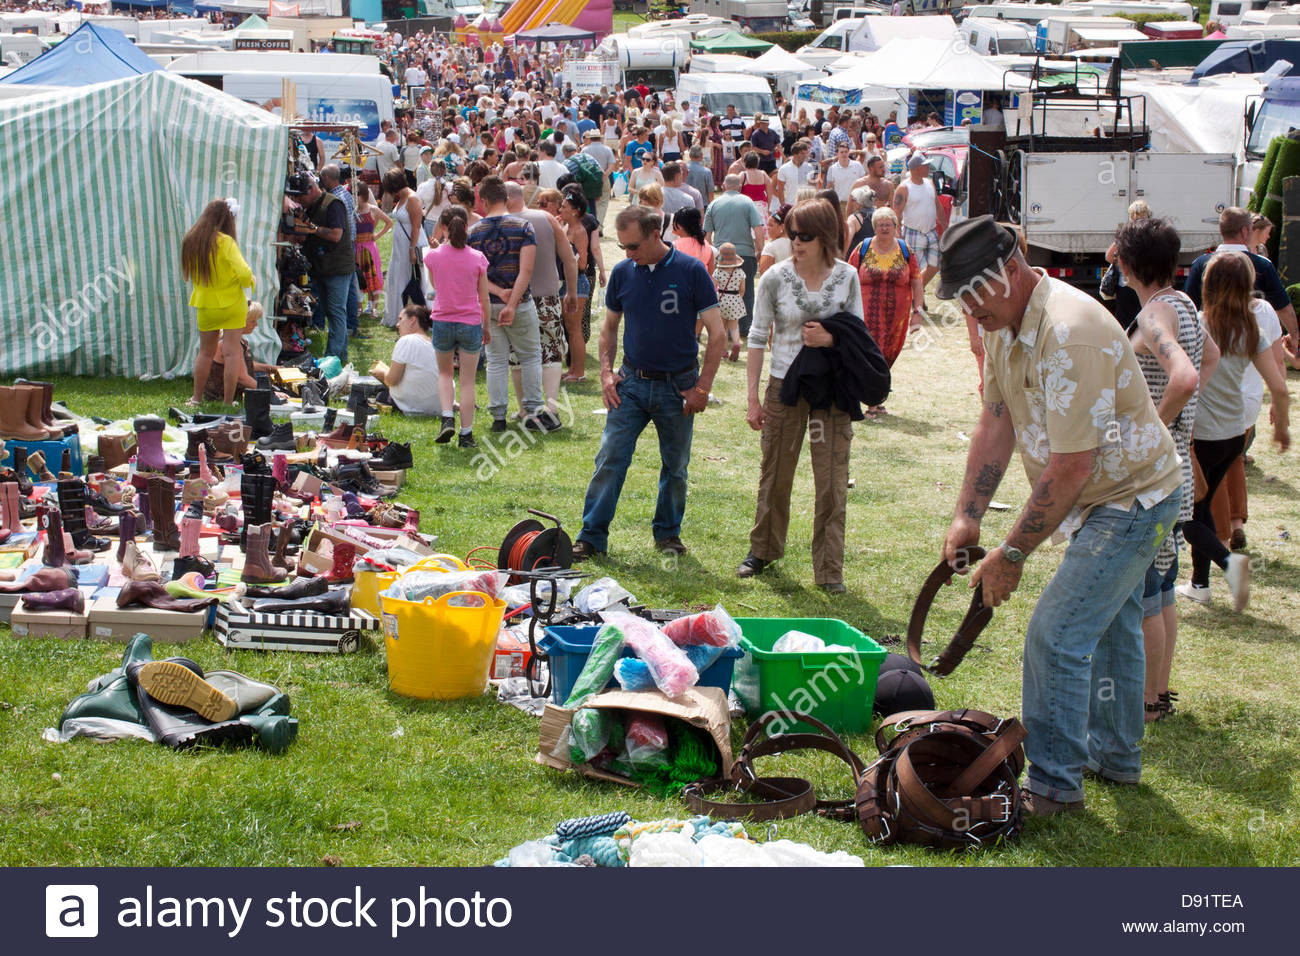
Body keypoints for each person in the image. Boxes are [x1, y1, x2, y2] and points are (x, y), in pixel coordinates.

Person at [937, 215, 1184, 814]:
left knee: (1057, 633)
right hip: (1108, 497)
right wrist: (968, 514)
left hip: (1134, 499)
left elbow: (1072, 468)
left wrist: (1011, 555)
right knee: (1115, 626)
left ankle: (1052, 786)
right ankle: (1116, 758)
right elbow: (996, 419)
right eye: (960, 298)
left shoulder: (1069, 333)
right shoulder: (1002, 326)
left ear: (1012, 271)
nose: (969, 310)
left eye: (974, 292)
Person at [572, 204, 725, 560]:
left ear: (657, 234)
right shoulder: (625, 273)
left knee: (676, 467)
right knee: (610, 458)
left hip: (679, 387)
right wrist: (606, 373)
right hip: (631, 384)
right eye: (623, 247)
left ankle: (668, 535)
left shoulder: (692, 271)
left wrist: (702, 387)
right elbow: (608, 328)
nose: (627, 254)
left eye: (633, 246)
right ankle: (591, 537)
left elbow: (717, 335)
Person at [738, 199, 866, 593]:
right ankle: (762, 551)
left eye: (805, 235)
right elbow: (757, 338)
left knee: (831, 481)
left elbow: (859, 336)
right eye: (792, 233)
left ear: (826, 236)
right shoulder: (774, 278)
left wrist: (831, 337)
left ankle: (830, 573)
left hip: (830, 392)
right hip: (784, 387)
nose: (796, 241)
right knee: (775, 473)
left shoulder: (847, 277)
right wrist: (753, 398)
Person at [1179, 251, 1290, 609]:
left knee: (1184, 515)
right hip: (1233, 435)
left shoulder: (1197, 323)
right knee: (1204, 507)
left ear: (1208, 285)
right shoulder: (1250, 330)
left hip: (1199, 436)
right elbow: (1280, 386)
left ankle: (1229, 565)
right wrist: (1282, 429)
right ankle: (1199, 585)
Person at [467, 175, 548, 432]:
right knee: (531, 357)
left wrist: (498, 292)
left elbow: (473, 275)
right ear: (507, 197)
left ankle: (498, 416)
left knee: (496, 361)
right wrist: (512, 302)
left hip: (488, 304)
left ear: (484, 199)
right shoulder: (523, 227)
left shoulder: (473, 232)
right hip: (519, 303)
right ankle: (534, 412)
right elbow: (526, 270)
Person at [1185, 206, 1298, 359]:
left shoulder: (1201, 263)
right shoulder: (1263, 265)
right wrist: (1294, 335)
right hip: (1251, 348)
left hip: (1211, 347)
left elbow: (1188, 307)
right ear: (1245, 231)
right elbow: (1283, 308)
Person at [847, 207, 924, 417]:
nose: (884, 227)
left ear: (895, 227)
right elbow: (847, 276)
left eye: (888, 224)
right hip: (866, 315)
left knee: (888, 356)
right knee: (871, 355)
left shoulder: (905, 250)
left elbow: (917, 281)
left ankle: (878, 398)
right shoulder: (863, 248)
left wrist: (918, 311)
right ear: (874, 228)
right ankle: (871, 402)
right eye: (880, 224)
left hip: (896, 318)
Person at [181, 199, 258, 406]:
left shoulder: (192, 239)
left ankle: (197, 398)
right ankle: (226, 401)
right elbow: (243, 272)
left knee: (205, 352)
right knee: (232, 354)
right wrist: (249, 280)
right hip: (232, 304)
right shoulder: (225, 242)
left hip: (205, 304)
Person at [424, 207, 489, 447]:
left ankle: (447, 416)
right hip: (470, 321)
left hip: (442, 319)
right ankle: (466, 433)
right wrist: (487, 326)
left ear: (443, 228)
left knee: (445, 374)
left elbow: (434, 285)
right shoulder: (477, 258)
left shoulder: (433, 256)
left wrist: (437, 246)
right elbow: (484, 297)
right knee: (468, 381)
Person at [515, 186, 579, 421]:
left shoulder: (500, 221)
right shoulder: (548, 220)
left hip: (513, 297)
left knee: (517, 354)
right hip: (547, 296)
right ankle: (551, 407)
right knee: (551, 351)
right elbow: (569, 260)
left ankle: (524, 409)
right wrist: (571, 291)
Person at [299, 175, 355, 361]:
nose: (300, 202)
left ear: (311, 189)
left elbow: (336, 235)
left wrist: (312, 228)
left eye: (301, 197)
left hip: (337, 268)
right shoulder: (315, 205)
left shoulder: (333, 204)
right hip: (323, 268)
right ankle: (340, 356)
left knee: (336, 312)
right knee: (333, 312)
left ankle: (332, 357)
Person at [703, 174, 765, 338]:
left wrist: (710, 257)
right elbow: (758, 229)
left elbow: (707, 236)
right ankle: (744, 328)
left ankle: (723, 328)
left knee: (721, 292)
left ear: (723, 186)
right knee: (747, 292)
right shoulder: (747, 202)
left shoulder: (714, 204)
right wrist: (760, 250)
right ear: (739, 186)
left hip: (721, 256)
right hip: (745, 254)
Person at [368, 304, 441, 417]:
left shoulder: (406, 340)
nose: (397, 325)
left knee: (380, 395)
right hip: (440, 406)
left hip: (416, 406)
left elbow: (392, 380)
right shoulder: (434, 344)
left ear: (412, 320)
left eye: (401, 319)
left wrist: (382, 374)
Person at [381, 167, 428, 330]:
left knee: (414, 279)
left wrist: (411, 249)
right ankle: (399, 314)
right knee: (398, 278)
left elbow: (416, 227)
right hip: (400, 246)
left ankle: (418, 315)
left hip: (411, 244)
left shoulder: (412, 199)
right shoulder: (402, 197)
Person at [892, 153, 943, 287]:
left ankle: (917, 293)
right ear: (917, 169)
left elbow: (938, 206)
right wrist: (898, 235)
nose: (928, 168)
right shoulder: (904, 188)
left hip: (931, 231)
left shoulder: (929, 183)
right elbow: (896, 213)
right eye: (925, 165)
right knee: (913, 269)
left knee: (936, 264)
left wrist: (947, 227)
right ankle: (917, 296)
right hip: (913, 232)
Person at [354, 184, 392, 319]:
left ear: (363, 195)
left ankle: (373, 307)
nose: (355, 197)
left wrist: (376, 235)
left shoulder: (373, 209)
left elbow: (389, 222)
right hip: (357, 248)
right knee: (359, 277)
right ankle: (360, 306)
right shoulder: (353, 211)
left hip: (369, 248)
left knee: (373, 276)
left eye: (357, 194)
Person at [712, 242, 746, 361]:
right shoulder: (740, 273)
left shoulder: (717, 272)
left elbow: (713, 287)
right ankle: (736, 344)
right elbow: (742, 289)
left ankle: (723, 350)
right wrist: (737, 298)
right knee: (734, 326)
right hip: (735, 299)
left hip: (721, 300)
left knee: (723, 328)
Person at [671, 206, 715, 274]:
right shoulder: (706, 246)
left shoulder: (674, 246)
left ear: (679, 226)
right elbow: (710, 274)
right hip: (701, 283)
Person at [775, 139, 816, 206]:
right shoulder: (783, 169)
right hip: (790, 205)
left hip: (806, 206)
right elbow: (780, 190)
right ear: (795, 154)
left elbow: (812, 187)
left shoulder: (810, 167)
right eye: (802, 153)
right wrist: (783, 206)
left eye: (805, 153)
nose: (805, 156)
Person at [756, 204, 793, 276]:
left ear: (782, 227)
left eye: (771, 225)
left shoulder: (771, 247)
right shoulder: (798, 243)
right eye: (767, 225)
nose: (767, 228)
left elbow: (764, 275)